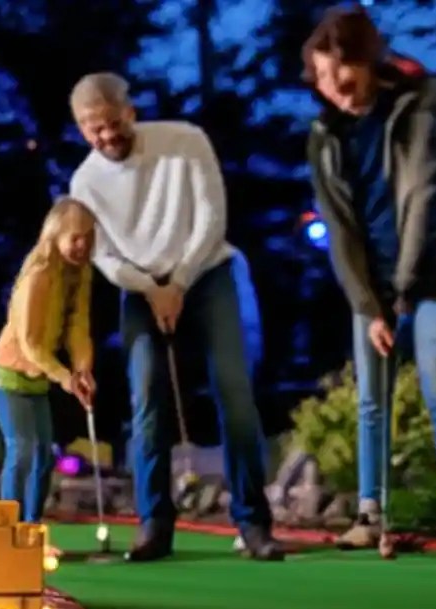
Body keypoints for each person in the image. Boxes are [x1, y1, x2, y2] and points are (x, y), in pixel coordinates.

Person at [68, 72, 284, 562]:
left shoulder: (185, 141)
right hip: (139, 288)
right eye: (92, 128)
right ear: (81, 129)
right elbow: (104, 256)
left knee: (235, 392)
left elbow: (211, 217)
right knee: (146, 402)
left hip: (207, 272)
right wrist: (152, 289)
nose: (106, 137)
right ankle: (154, 525)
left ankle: (253, 523)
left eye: (112, 123)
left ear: (130, 111)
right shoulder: (84, 181)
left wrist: (180, 283)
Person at [303, 6, 436, 560]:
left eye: (343, 76)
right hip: (372, 284)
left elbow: (426, 197)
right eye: (322, 80)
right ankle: (368, 512)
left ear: (366, 61)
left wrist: (401, 294)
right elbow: (338, 227)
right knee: (371, 400)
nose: (334, 91)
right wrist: (370, 303)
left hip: (430, 272)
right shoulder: (326, 134)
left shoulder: (421, 104)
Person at [0, 196, 97, 524]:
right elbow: (29, 342)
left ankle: (31, 530)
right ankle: (7, 530)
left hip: (37, 377)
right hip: (7, 376)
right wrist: (64, 377)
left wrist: (82, 369)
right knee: (22, 450)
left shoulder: (80, 274)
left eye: (88, 239)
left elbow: (78, 326)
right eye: (75, 237)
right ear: (55, 234)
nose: (81, 246)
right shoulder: (38, 275)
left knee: (45, 456)